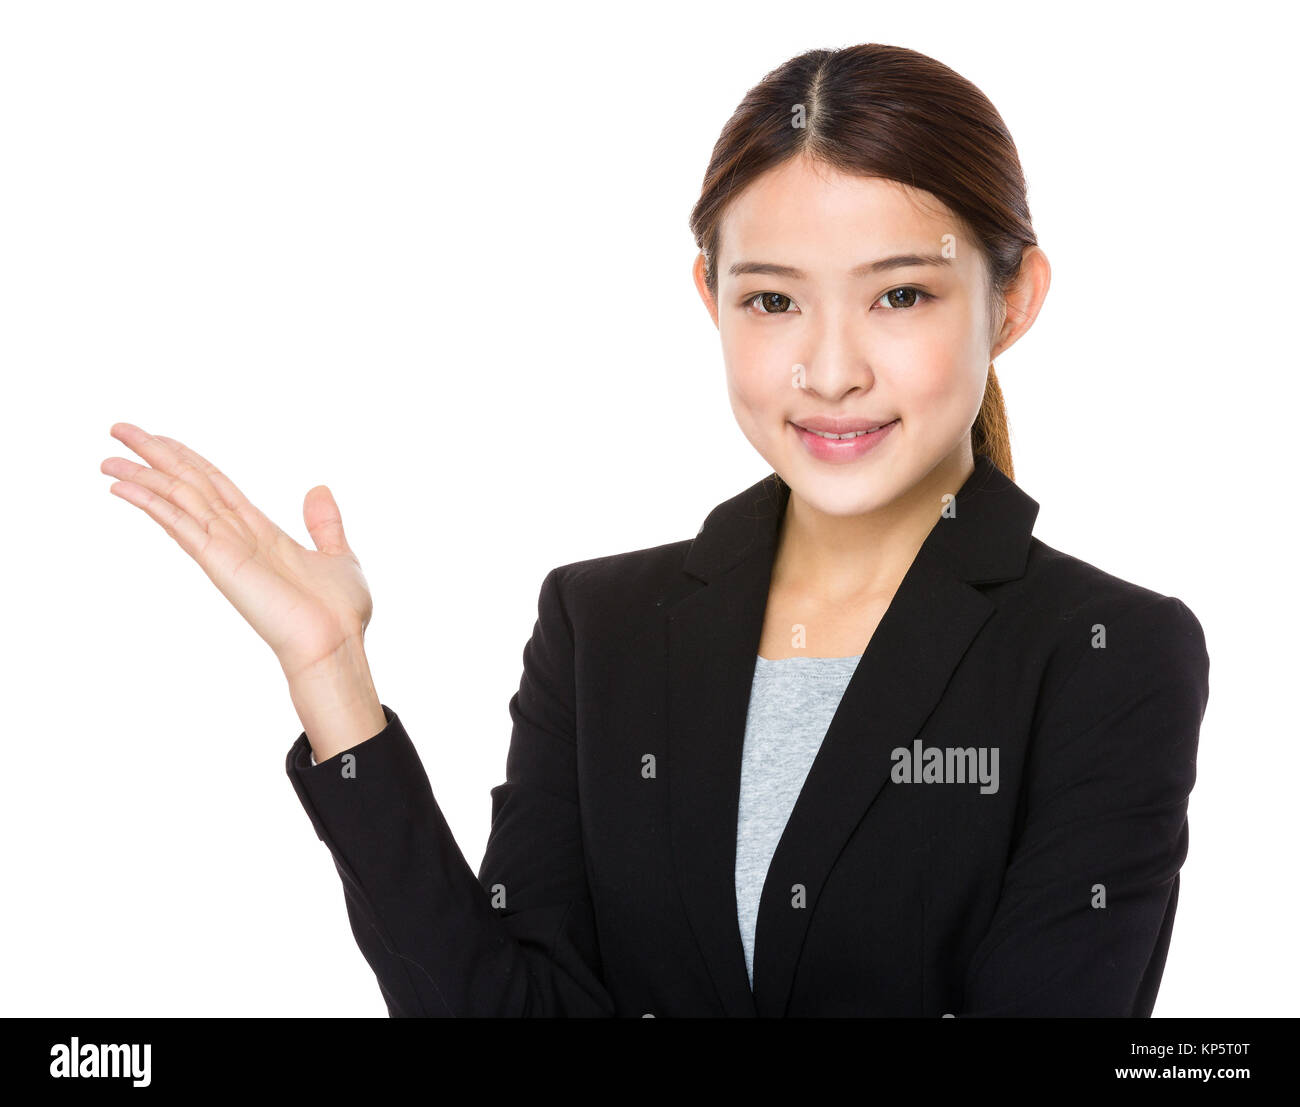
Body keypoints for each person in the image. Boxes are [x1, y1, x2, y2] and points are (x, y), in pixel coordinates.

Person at [101, 43, 1209, 1017]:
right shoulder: (602, 624)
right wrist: (333, 676)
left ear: (1013, 302)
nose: (829, 371)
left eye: (900, 296)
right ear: (710, 297)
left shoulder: (1106, 655)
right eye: (772, 301)